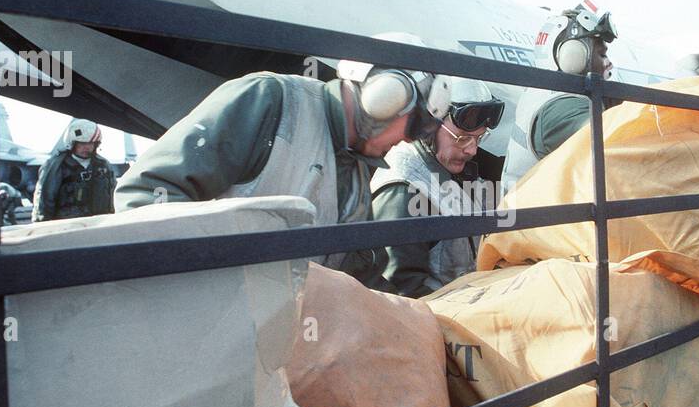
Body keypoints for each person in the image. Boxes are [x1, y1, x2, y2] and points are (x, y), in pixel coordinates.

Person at [114, 33, 450, 287]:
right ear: (387, 97)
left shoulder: (357, 168)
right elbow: (146, 195)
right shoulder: (268, 102)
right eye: (417, 125)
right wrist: (226, 290)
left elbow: (357, 273)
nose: (410, 139)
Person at [371, 78, 506, 297]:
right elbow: (399, 292)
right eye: (462, 139)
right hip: (435, 321)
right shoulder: (405, 190)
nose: (472, 150)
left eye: (479, 138)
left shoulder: (454, 171)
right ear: (428, 127)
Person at [500, 0, 616, 196]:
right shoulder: (558, 109)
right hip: (535, 222)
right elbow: (616, 137)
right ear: (575, 55)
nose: (609, 63)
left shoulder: (550, 92)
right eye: (602, 54)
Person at [32, 118, 117, 222]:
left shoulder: (103, 165)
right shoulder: (56, 166)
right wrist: (41, 224)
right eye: (81, 144)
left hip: (100, 223)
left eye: (91, 143)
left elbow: (114, 194)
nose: (86, 147)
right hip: (68, 226)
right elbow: (44, 197)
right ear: (72, 143)